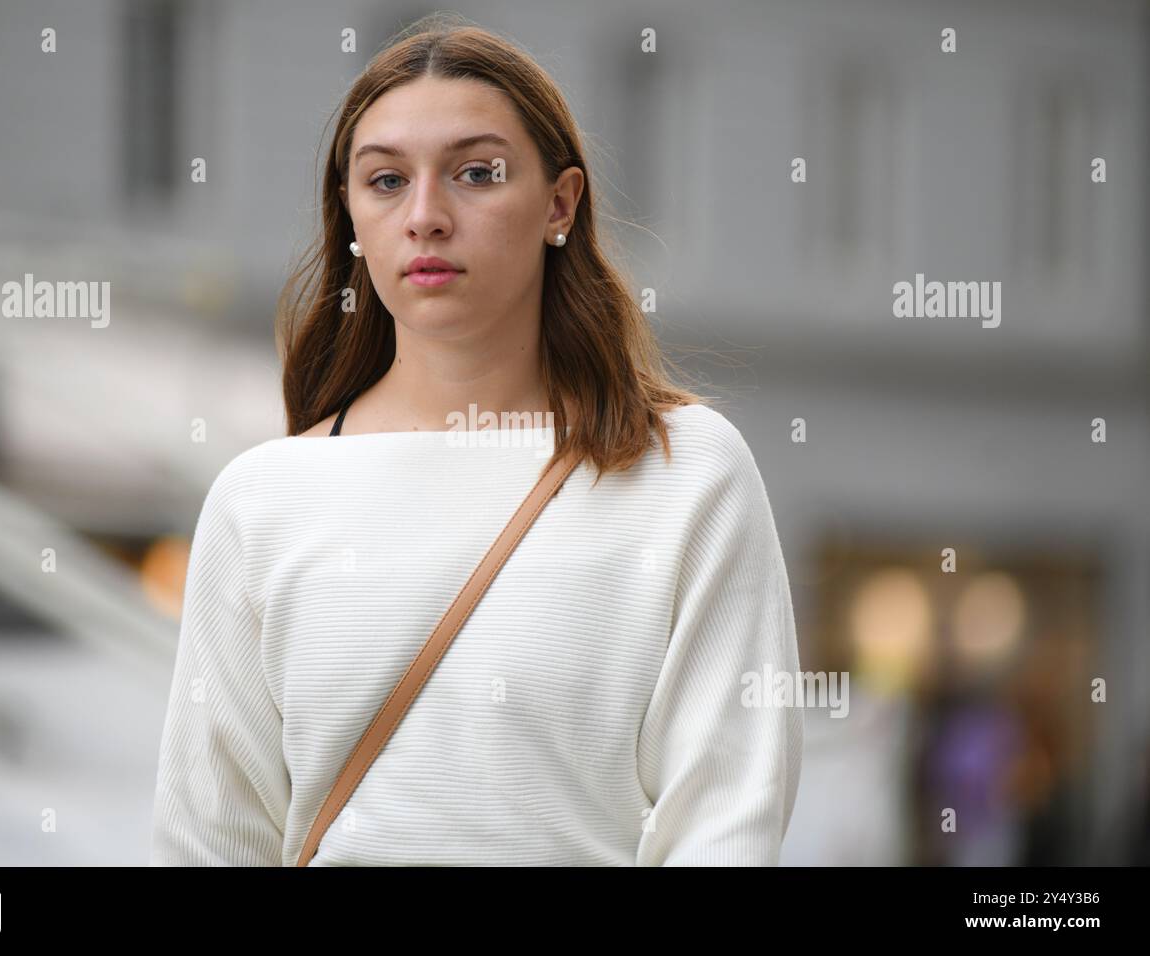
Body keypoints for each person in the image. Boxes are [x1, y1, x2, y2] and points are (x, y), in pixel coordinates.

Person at [150, 13, 801, 866]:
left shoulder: (687, 473)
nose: (425, 216)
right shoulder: (259, 499)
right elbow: (208, 837)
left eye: (476, 173)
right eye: (385, 181)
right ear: (348, 211)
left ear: (559, 203)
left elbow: (727, 820)